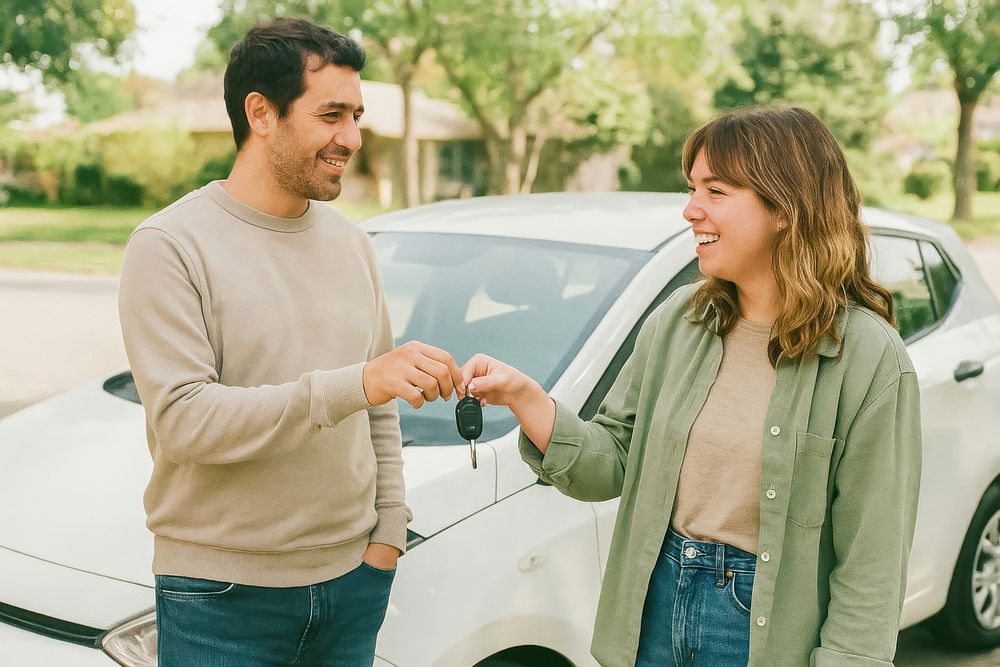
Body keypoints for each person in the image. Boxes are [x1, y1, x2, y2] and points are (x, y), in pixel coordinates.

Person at [461, 106, 922, 666]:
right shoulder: (679, 322)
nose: (690, 209)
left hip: (763, 631)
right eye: (691, 188)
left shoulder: (868, 357)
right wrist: (526, 398)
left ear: (786, 209)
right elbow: (610, 465)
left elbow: (871, 562)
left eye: (717, 190)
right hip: (655, 601)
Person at [118, 17, 464, 666]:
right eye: (332, 115)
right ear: (261, 113)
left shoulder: (352, 243)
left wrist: (388, 532)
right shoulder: (168, 246)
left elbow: (377, 411)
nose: (352, 138)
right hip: (221, 598)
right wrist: (357, 382)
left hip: (351, 587)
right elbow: (187, 422)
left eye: (356, 116)